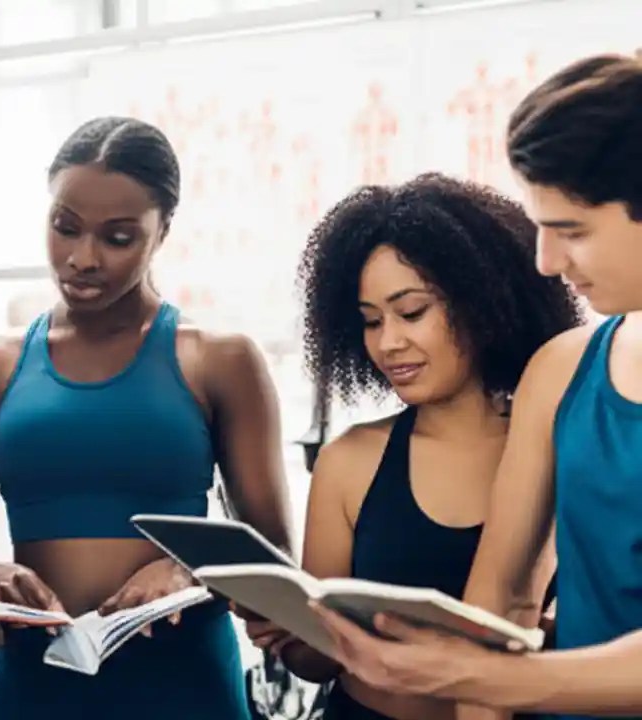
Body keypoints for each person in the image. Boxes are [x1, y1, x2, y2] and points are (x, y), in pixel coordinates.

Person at [305, 53, 642, 719]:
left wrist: (478, 677)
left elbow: (492, 658)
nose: (546, 260)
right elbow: (502, 601)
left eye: (570, 230)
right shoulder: (564, 369)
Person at [0, 116, 293, 719]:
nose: (82, 259)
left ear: (163, 231)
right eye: (64, 228)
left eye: (118, 237)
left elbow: (275, 553)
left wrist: (184, 568)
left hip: (185, 685)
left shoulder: (220, 361)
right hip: (33, 685)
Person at [239, 173, 580, 720]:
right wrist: (284, 629)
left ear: (483, 304)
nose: (388, 342)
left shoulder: (566, 447)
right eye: (371, 321)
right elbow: (318, 663)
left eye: (412, 312)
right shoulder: (350, 462)